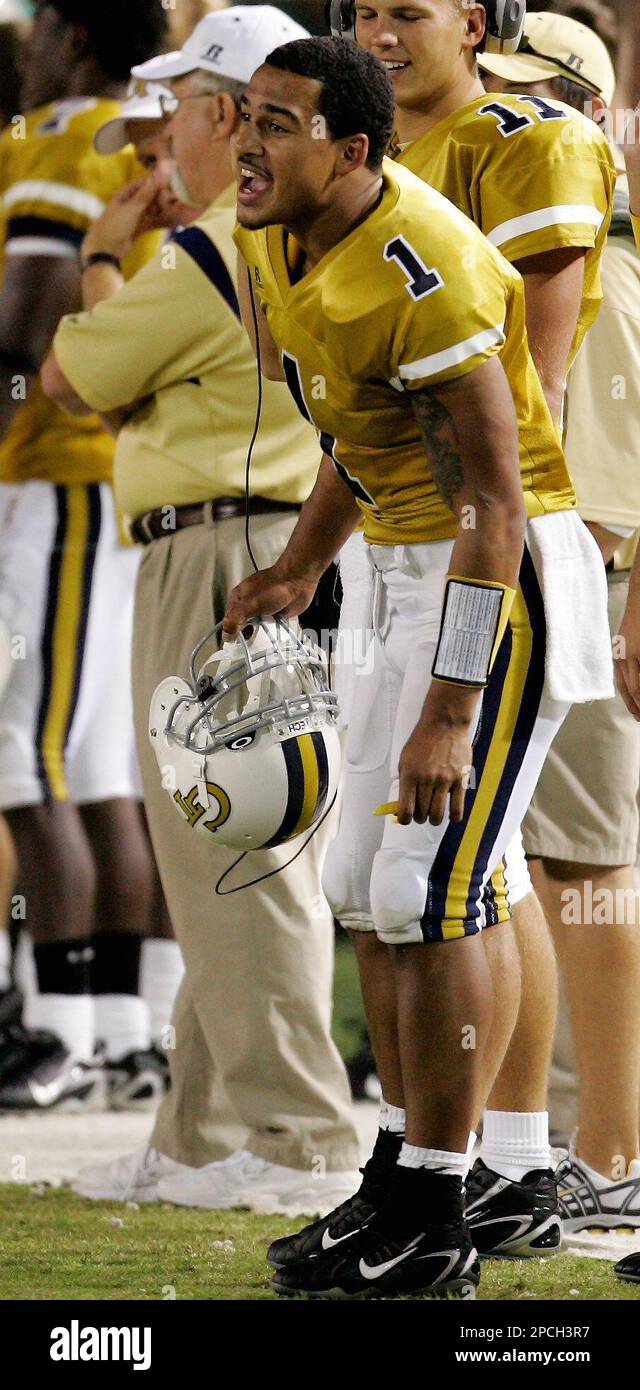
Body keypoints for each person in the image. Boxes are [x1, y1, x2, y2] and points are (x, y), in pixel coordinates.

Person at [222, 35, 611, 1298]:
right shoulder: (277, 234)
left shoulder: (425, 261)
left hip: (489, 585)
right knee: (366, 884)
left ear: (353, 149)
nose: (246, 144)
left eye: (277, 124)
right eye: (245, 116)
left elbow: (493, 504)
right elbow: (356, 422)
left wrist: (450, 706)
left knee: (434, 884)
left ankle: (444, 1208)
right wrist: (294, 569)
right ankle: (399, 1172)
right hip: (396, 566)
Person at [42, 7, 361, 1216]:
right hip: (260, 541)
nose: (159, 129)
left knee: (241, 859)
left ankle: (298, 1140)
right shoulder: (266, 242)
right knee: (220, 849)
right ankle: (199, 1132)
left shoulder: (209, 250)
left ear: (228, 115)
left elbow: (72, 373)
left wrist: (105, 256)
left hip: (222, 553)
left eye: (180, 103)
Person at [480, 9, 640, 1231]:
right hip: (552, 581)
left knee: (587, 871)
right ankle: (558, 1139)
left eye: (536, 95)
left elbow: (616, 480)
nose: (511, 114)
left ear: (588, 112)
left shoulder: (609, 268)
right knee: (537, 867)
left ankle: (611, 1148)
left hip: (592, 580)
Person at [0, 0, 172, 1111]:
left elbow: (25, 323)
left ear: (64, 27)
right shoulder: (138, 125)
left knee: (27, 756)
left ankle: (54, 1036)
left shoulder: (71, 134)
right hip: (104, 481)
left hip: (59, 474)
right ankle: (119, 1028)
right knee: (101, 766)